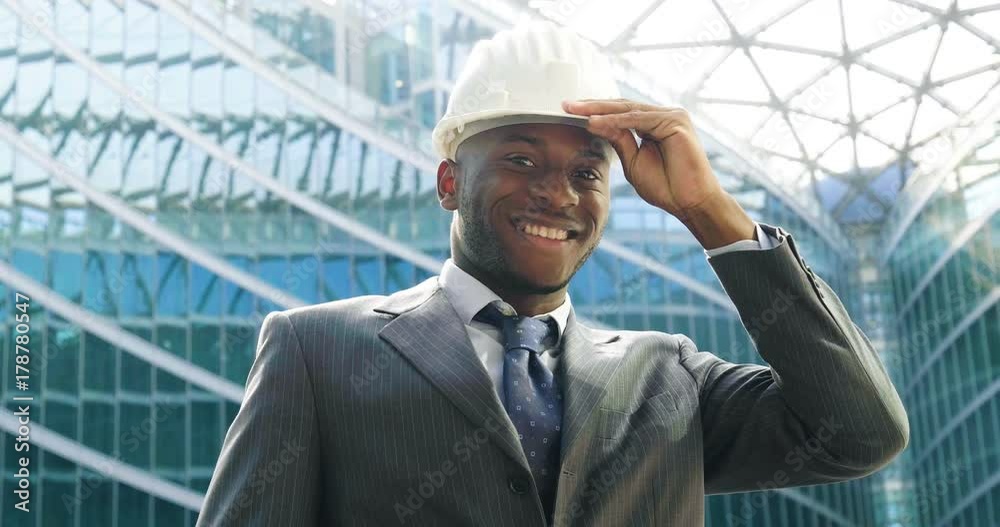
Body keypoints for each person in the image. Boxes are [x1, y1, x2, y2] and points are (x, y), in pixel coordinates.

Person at [196, 21, 908, 526]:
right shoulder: (315, 352)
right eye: (521, 160)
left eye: (586, 172)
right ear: (449, 181)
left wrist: (710, 213)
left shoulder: (672, 379)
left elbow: (860, 432)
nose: (558, 193)